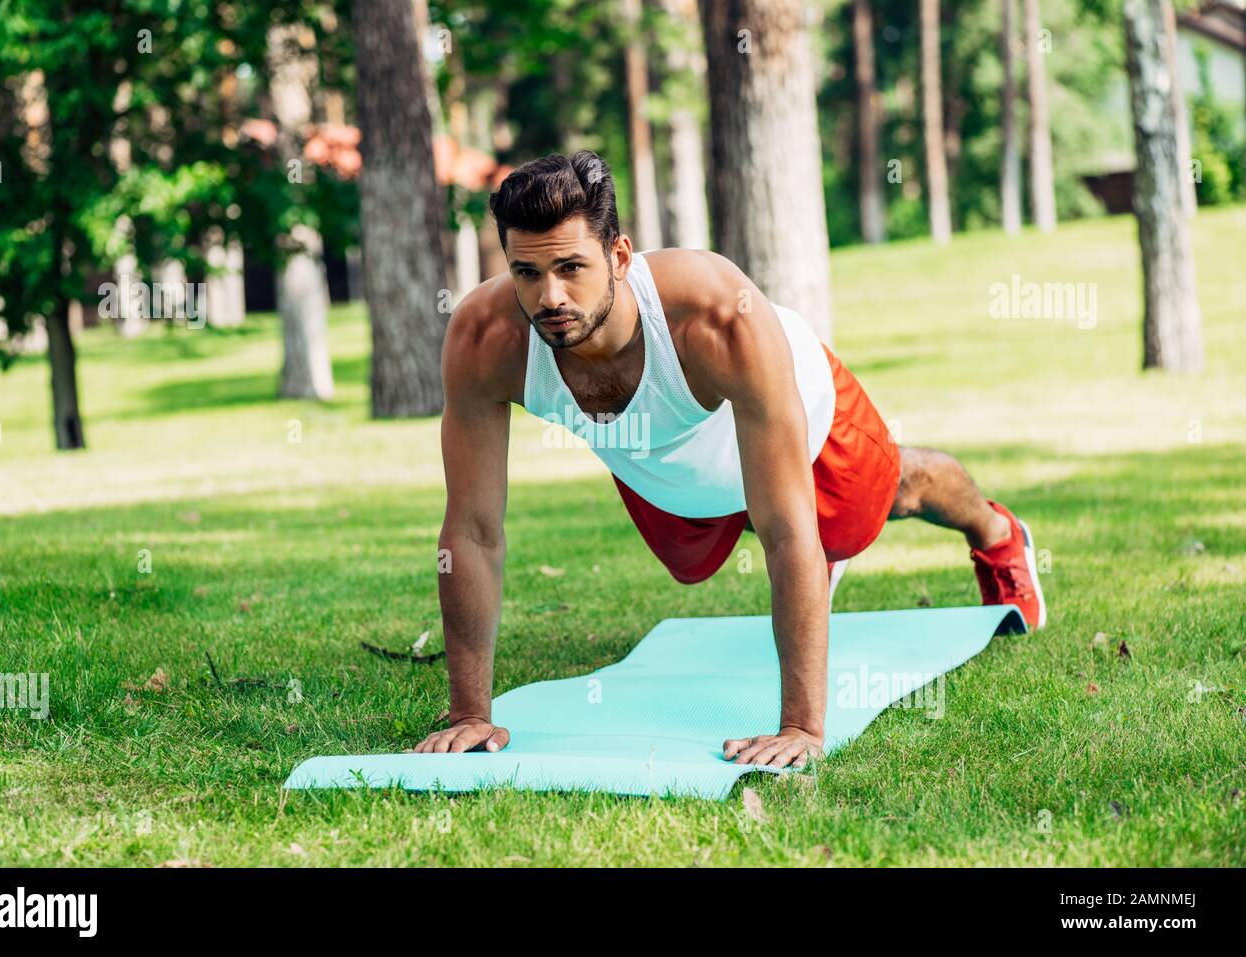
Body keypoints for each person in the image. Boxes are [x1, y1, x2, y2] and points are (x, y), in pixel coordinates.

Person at [415, 150, 1045, 769]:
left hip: (806, 423)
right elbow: (472, 530)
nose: (550, 296)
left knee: (876, 503)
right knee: (692, 563)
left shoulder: (716, 316)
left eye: (572, 267)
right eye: (526, 272)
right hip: (662, 462)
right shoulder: (484, 338)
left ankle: (996, 532)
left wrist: (800, 725)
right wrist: (471, 713)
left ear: (620, 256)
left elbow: (788, 528)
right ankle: (784, 552)